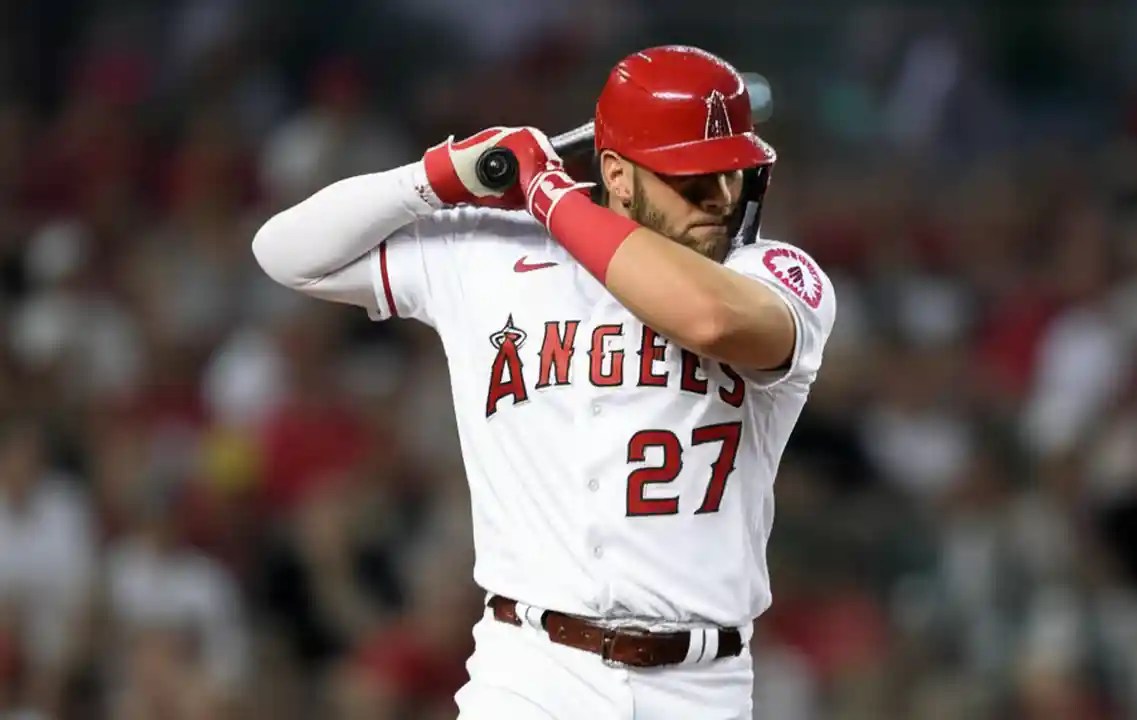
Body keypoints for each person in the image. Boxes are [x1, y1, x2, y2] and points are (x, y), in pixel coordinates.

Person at [253, 45, 835, 719]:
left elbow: (706, 318)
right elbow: (284, 253)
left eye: (731, 175)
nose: (720, 199)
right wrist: (436, 177)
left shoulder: (774, 275)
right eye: (692, 181)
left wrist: (548, 194)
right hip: (533, 669)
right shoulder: (492, 251)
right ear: (616, 172)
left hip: (699, 685)